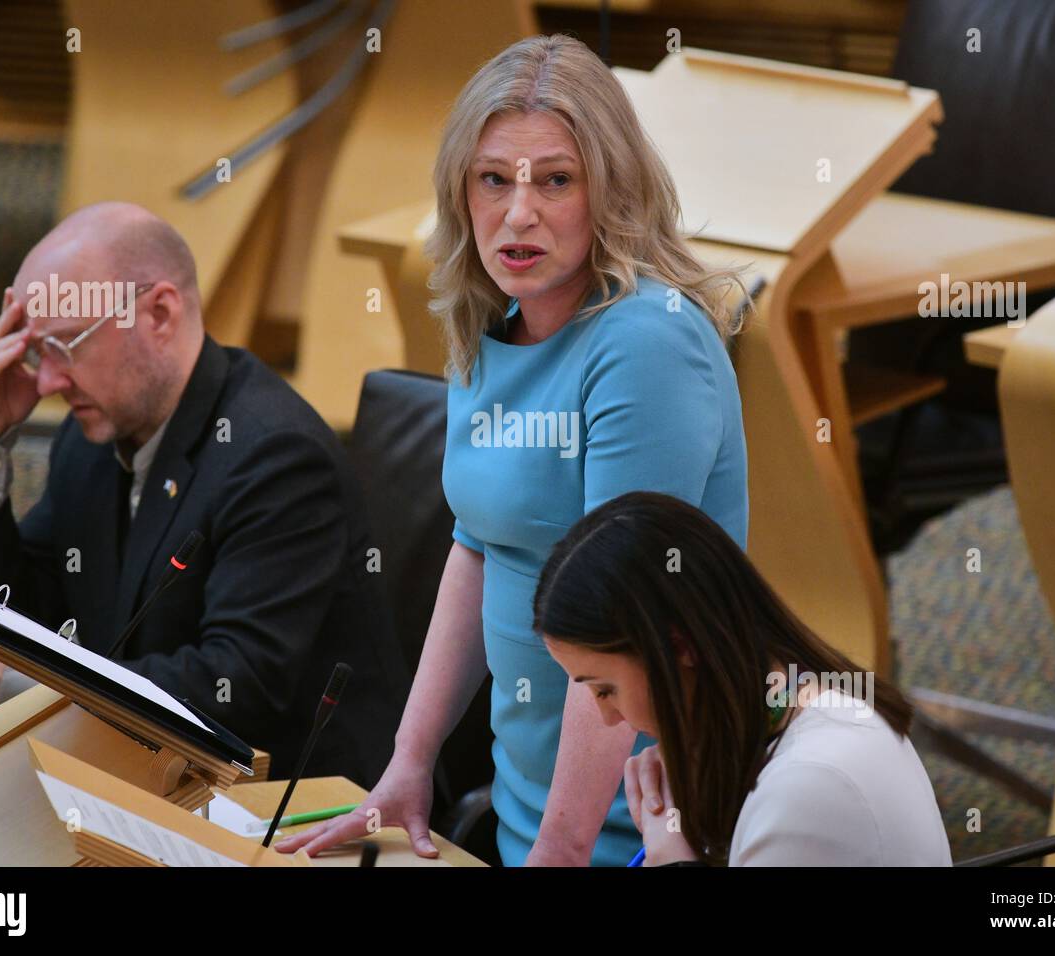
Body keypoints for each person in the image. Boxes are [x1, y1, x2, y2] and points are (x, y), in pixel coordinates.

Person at [276, 34, 748, 866]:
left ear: (613, 191)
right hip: (529, 810)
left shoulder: (646, 343)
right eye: (494, 179)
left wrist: (559, 852)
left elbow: (626, 620)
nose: (518, 213)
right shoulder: (491, 319)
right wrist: (410, 763)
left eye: (556, 181)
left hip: (648, 825)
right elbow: (479, 545)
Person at [0, 201, 409, 784]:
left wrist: (14, 687)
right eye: (37, 352)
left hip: (285, 809)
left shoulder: (275, 455)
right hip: (134, 772)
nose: (48, 381)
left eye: (67, 345)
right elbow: (19, 610)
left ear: (158, 313)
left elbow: (233, 685)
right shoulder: (91, 439)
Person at [537, 492, 952, 866]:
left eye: (605, 689)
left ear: (679, 644)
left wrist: (673, 862)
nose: (608, 717)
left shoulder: (806, 790)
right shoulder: (805, 695)